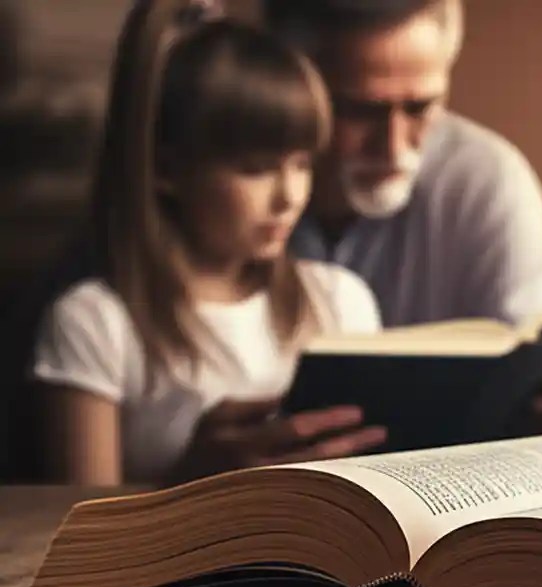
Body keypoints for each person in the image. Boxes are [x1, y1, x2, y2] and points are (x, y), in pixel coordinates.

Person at [28, 0, 388, 486]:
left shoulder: (341, 302)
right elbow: (76, 533)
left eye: (302, 164)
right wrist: (190, 479)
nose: (289, 196)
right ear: (169, 169)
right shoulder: (96, 322)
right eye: (256, 169)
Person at [262, 0, 542, 432]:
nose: (394, 148)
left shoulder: (485, 177)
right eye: (358, 111)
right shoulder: (209, 184)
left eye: (420, 107)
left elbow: (534, 355)